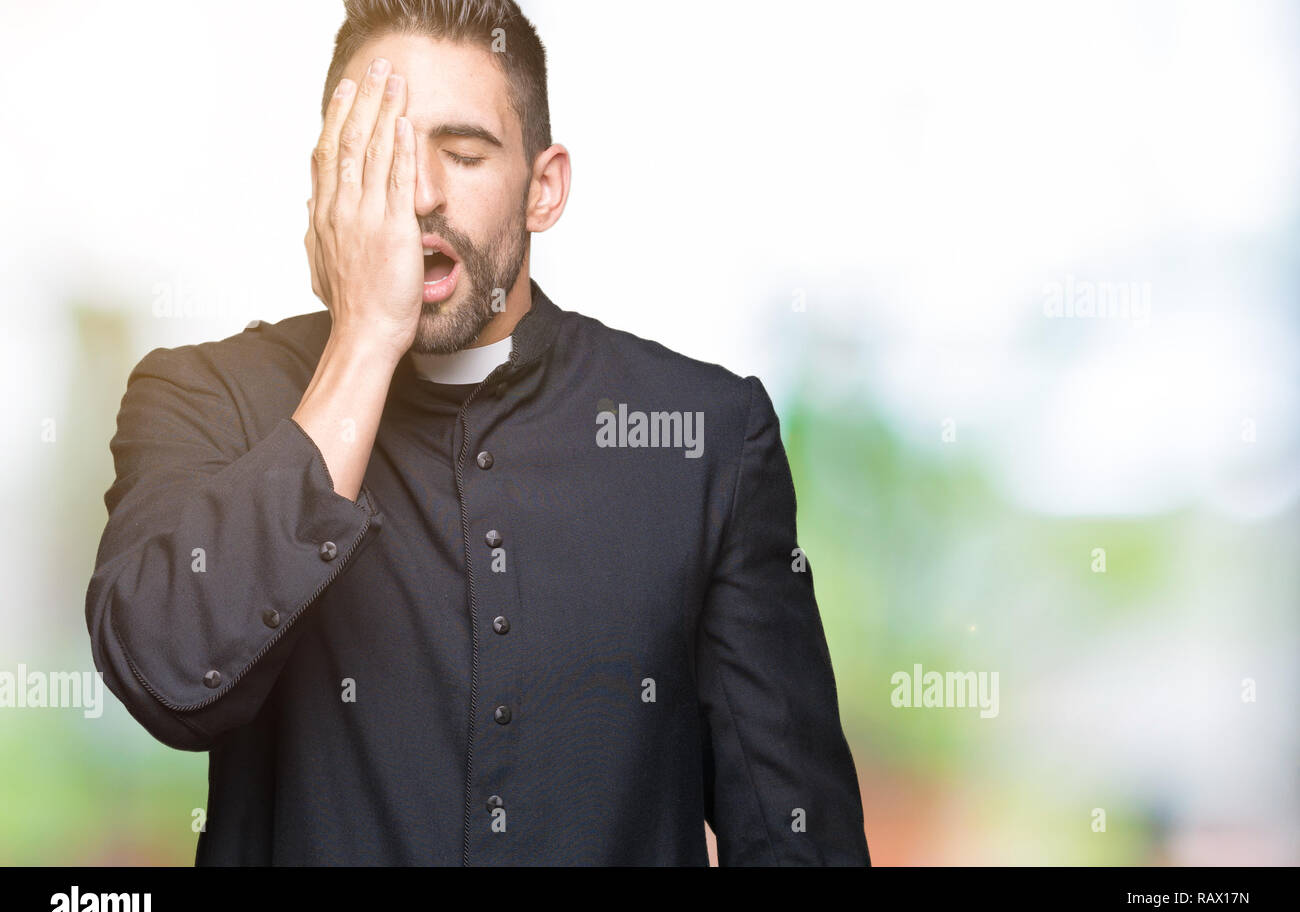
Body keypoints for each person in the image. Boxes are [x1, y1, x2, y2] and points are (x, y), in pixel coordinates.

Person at [85, 0, 870, 866]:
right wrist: (363, 341)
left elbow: (802, 841)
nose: (418, 194)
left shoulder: (706, 437)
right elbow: (168, 680)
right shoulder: (202, 396)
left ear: (544, 187)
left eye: (462, 154)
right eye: (377, 156)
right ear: (323, 178)